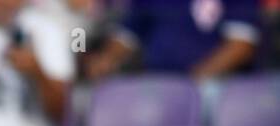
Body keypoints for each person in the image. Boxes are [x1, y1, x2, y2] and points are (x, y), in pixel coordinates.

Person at [85, 0, 261, 80]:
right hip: (157, 81)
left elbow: (241, 46)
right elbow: (127, 35)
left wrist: (192, 84)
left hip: (214, 85)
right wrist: (106, 58)